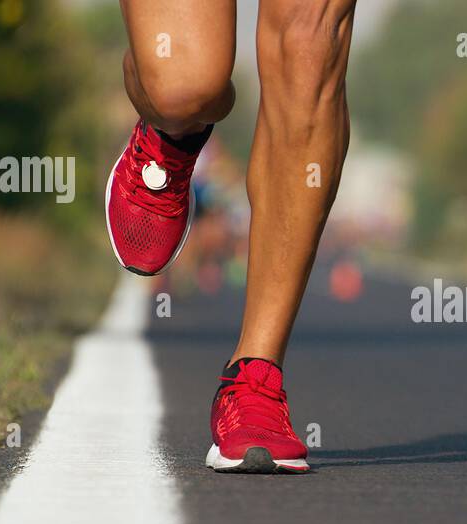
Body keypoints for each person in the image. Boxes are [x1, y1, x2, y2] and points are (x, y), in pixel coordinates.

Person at [105, 0, 355, 473]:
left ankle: (256, 376)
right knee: (184, 86)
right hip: (179, 101)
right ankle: (170, 134)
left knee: (310, 44)